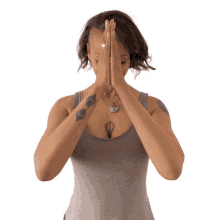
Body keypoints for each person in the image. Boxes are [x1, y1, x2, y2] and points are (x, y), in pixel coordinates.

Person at [34, 10, 184, 220]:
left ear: (131, 57)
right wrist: (99, 87)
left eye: (120, 61)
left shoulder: (153, 107)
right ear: (88, 51)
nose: (110, 68)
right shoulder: (66, 107)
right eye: (100, 60)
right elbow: (44, 172)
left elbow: (171, 171)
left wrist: (121, 88)